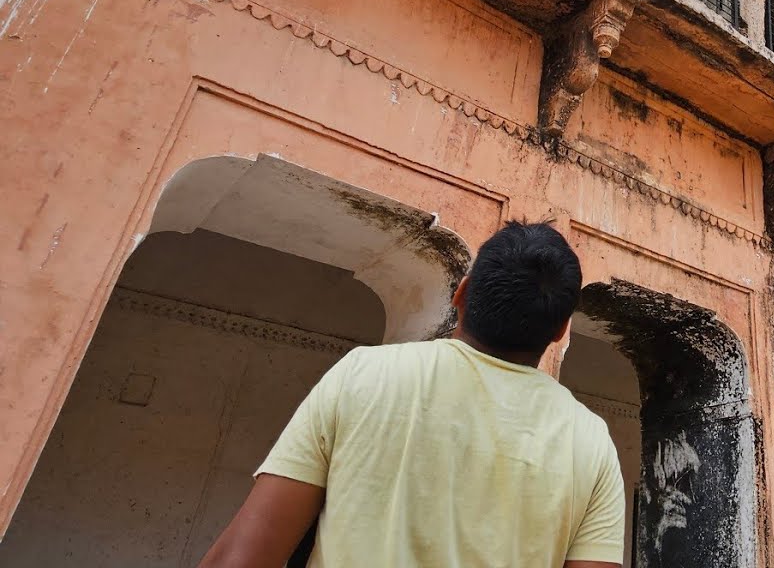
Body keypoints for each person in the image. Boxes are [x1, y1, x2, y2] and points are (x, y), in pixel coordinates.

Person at [198, 221, 625, 568]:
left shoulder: (363, 373)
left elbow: (242, 559)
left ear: (461, 293)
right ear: (559, 331)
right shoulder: (591, 442)